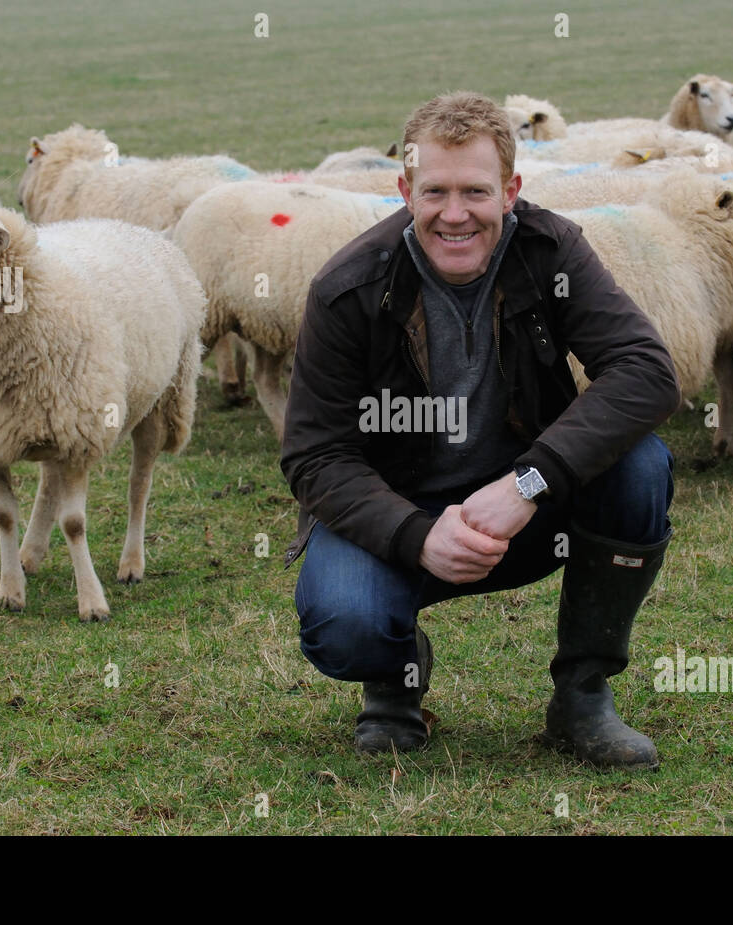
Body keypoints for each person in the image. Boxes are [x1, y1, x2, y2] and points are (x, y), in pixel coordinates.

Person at [279, 91, 680, 768]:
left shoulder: (551, 252)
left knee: (640, 466)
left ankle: (583, 695)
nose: (455, 213)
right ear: (404, 189)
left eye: (476, 191)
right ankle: (394, 676)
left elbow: (646, 370)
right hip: (398, 515)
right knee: (343, 621)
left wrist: (529, 481)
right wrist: (415, 534)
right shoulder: (349, 289)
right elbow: (315, 454)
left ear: (511, 190)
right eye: (435, 191)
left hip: (525, 508)